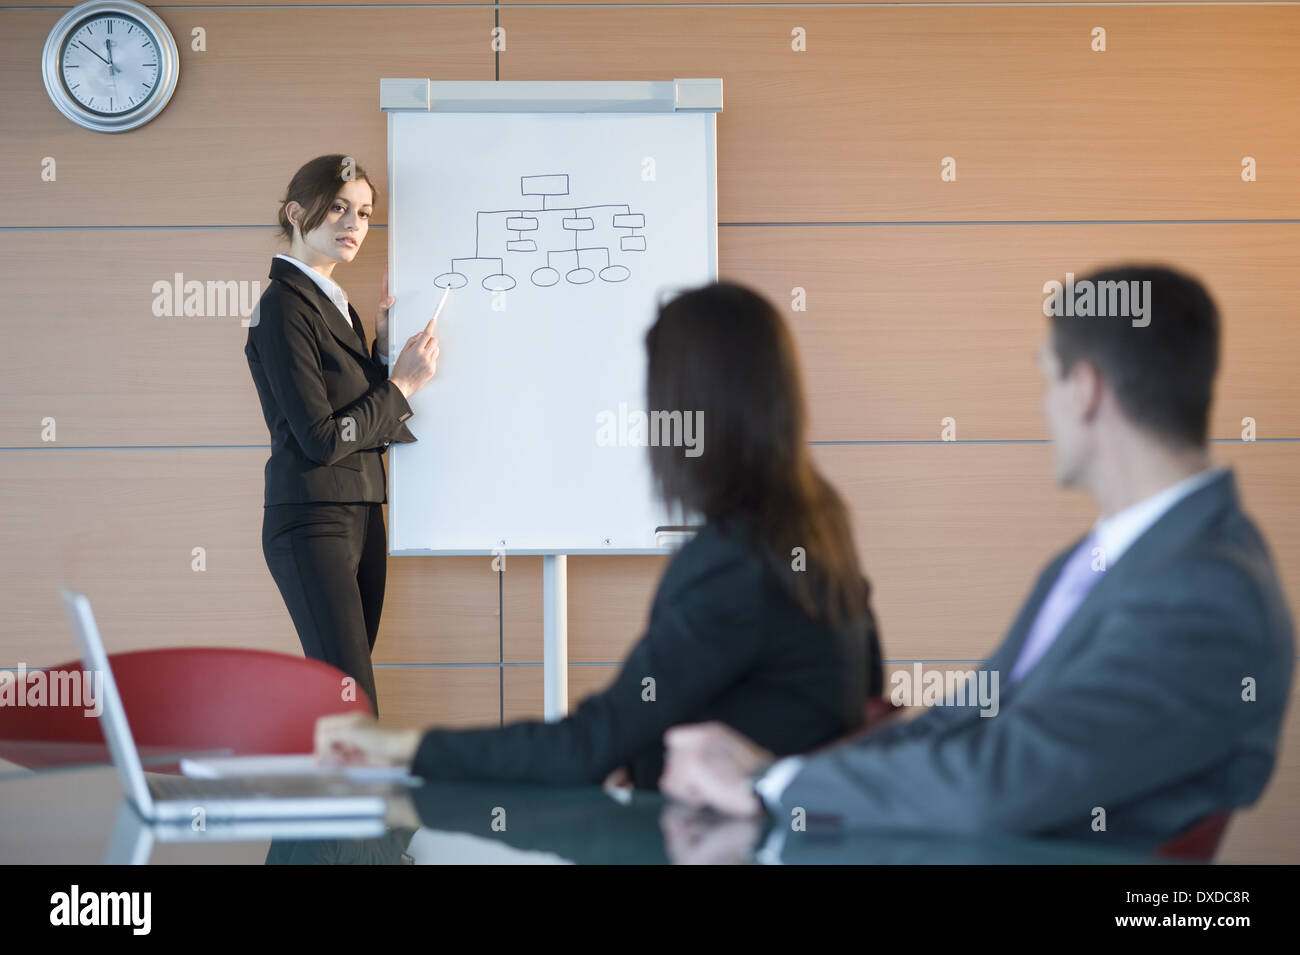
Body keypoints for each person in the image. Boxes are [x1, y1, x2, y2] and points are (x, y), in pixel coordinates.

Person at [660, 265, 1294, 852]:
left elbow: (996, 783)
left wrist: (774, 787)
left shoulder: (1207, 590)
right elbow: (959, 720)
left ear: (1086, 391)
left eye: (1046, 380)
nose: (1044, 407)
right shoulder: (1098, 560)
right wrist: (782, 776)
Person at [314, 281, 884, 788]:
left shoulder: (733, 559)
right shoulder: (817, 524)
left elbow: (589, 746)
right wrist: (641, 762)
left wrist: (404, 747)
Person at [246, 154, 441, 715]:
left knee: (341, 697)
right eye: (338, 208)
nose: (354, 224)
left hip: (359, 513)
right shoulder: (282, 307)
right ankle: (356, 802)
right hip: (312, 519)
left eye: (364, 213)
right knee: (351, 700)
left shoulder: (337, 307)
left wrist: (378, 353)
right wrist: (399, 386)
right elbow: (323, 439)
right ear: (295, 212)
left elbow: (358, 423)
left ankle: (326, 796)